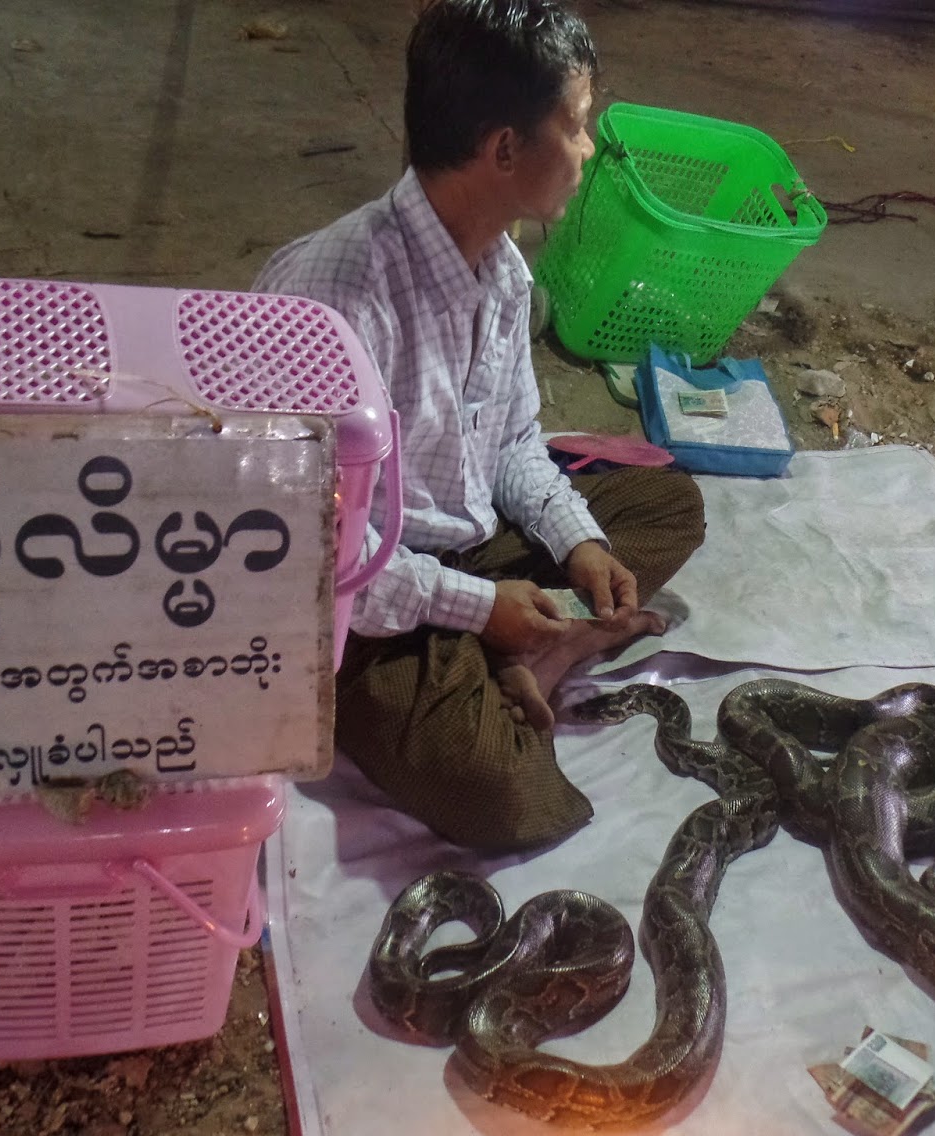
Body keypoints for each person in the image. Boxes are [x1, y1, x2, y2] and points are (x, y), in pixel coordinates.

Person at [254, 0, 705, 852]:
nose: (590, 150)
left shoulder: (499, 267)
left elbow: (512, 445)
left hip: (464, 552)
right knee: (507, 799)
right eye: (577, 126)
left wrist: (578, 544)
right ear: (504, 149)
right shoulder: (336, 299)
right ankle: (507, 655)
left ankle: (536, 651)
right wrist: (476, 608)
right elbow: (307, 560)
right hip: (360, 604)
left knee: (667, 501)